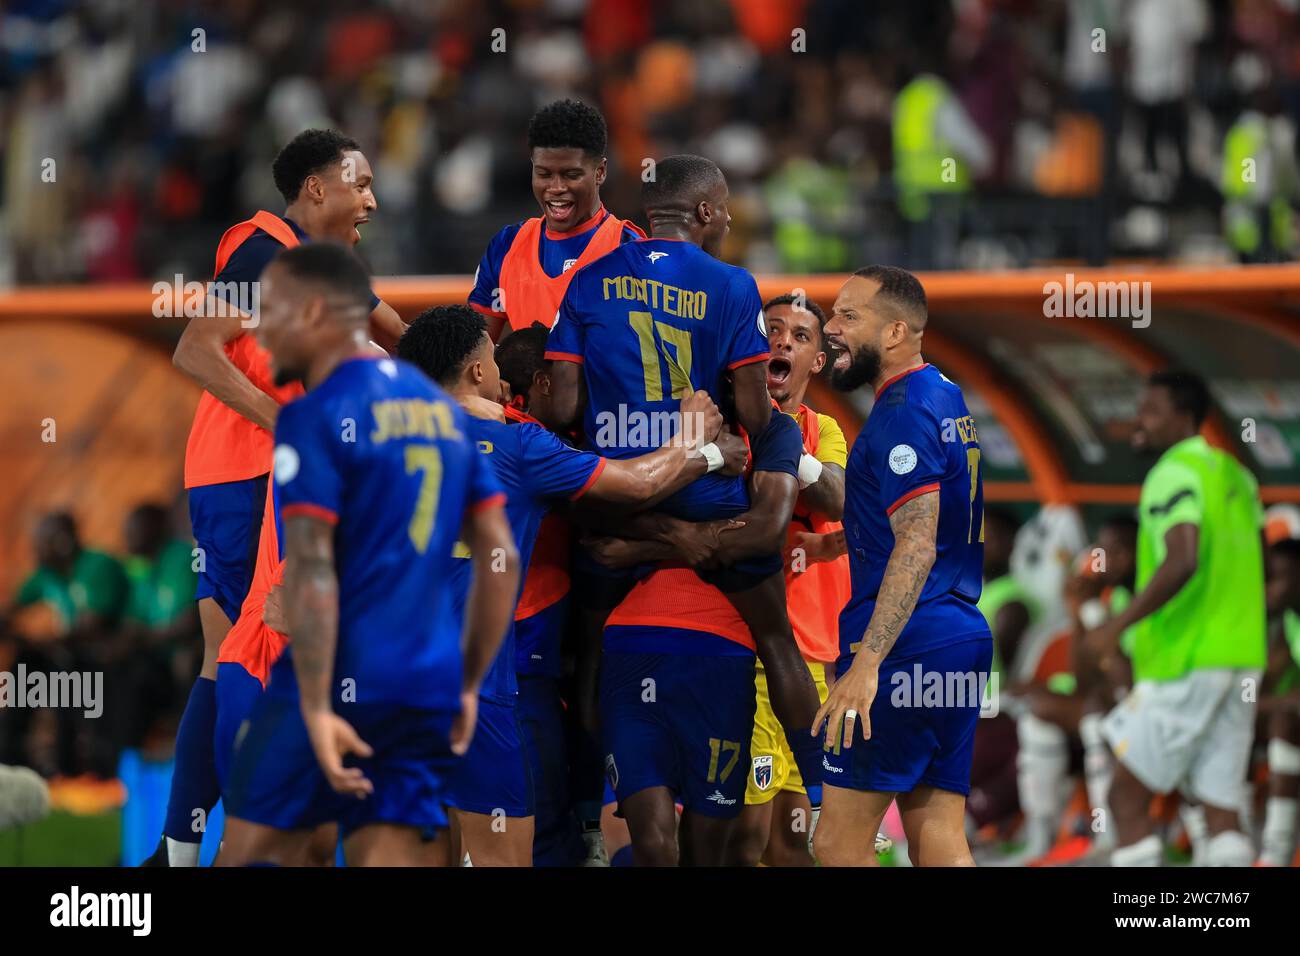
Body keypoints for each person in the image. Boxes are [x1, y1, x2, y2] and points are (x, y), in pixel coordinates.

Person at [395, 305, 743, 866]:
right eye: (491, 356)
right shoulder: (518, 446)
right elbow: (633, 484)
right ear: (478, 372)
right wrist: (698, 444)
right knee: (503, 858)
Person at [219, 243, 518, 867]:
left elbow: (314, 570)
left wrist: (317, 698)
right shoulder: (441, 412)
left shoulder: (316, 416)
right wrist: (465, 682)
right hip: (425, 679)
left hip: (342, 671)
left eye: (275, 310)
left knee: (246, 850)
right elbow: (500, 554)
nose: (263, 328)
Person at [546, 154, 825, 820]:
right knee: (777, 643)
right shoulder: (732, 285)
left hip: (619, 499)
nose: (728, 219)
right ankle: (823, 791)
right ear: (704, 213)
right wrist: (757, 452)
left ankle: (595, 804)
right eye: (725, 209)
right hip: (706, 485)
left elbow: (560, 409)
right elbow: (757, 416)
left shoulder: (587, 281)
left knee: (584, 651)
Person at [156, 128, 405, 867]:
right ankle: (194, 848)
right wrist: (288, 425)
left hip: (272, 474)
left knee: (260, 656)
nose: (373, 200)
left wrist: (476, 367)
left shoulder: (327, 270)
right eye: (359, 184)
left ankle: (211, 845)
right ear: (316, 189)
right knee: (232, 656)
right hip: (244, 474)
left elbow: (402, 336)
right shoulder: (260, 248)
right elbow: (193, 346)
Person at [811, 265, 992, 868]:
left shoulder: (900, 416)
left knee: (837, 845)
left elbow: (916, 541)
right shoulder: (944, 392)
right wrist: (839, 545)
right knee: (937, 831)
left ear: (895, 333)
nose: (831, 329)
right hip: (960, 635)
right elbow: (920, 527)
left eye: (847, 317)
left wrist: (866, 665)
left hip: (903, 643)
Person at [1086, 370, 1266, 867]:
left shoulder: (1173, 472)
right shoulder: (1236, 475)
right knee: (1220, 807)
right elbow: (1261, 567)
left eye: (1150, 411)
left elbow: (1182, 557)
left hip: (1185, 660)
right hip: (1240, 658)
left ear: (1183, 417)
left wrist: (1116, 627)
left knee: (1124, 798)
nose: (1138, 422)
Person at [729, 293, 851, 867]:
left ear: (818, 362)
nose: (783, 341)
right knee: (743, 836)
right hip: (740, 650)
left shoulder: (824, 432)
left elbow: (836, 496)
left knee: (798, 840)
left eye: (801, 337)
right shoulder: (724, 423)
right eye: (772, 330)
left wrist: (783, 446)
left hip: (812, 662)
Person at [468, 99, 644, 342]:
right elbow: (476, 352)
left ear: (600, 172)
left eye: (571, 175)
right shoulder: (506, 245)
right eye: (544, 174)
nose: (556, 188)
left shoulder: (628, 249)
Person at [1257, 537, 1300, 866]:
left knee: (1284, 720)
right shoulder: (1288, 620)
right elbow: (1270, 682)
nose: (1267, 587)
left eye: (1277, 577)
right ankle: (1273, 854)